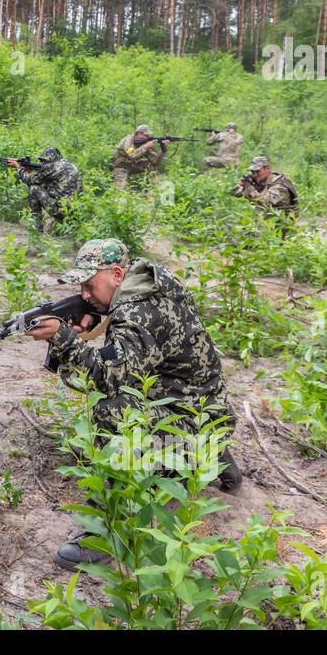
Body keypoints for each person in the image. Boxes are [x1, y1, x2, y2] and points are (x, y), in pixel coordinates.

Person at [25, 238, 240, 572]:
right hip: (203, 405)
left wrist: (64, 339)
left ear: (115, 273)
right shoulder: (148, 282)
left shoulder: (139, 312)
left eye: (88, 284)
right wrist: (90, 325)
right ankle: (205, 449)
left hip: (192, 413)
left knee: (110, 407)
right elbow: (132, 358)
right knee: (124, 395)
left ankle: (110, 525)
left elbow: (103, 377)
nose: (84, 294)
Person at [9, 147, 82, 232]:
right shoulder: (68, 164)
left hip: (61, 212)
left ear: (50, 159)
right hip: (76, 212)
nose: (43, 163)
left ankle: (37, 229)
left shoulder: (51, 167)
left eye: (44, 161)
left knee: (34, 189)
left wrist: (18, 167)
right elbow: (45, 179)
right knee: (43, 185)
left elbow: (28, 180)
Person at [231, 155, 298, 217]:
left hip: (280, 224)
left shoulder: (279, 185)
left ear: (267, 169)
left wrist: (249, 188)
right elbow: (235, 193)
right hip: (264, 222)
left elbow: (265, 202)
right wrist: (242, 184)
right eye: (252, 172)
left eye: (257, 171)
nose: (255, 175)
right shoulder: (260, 183)